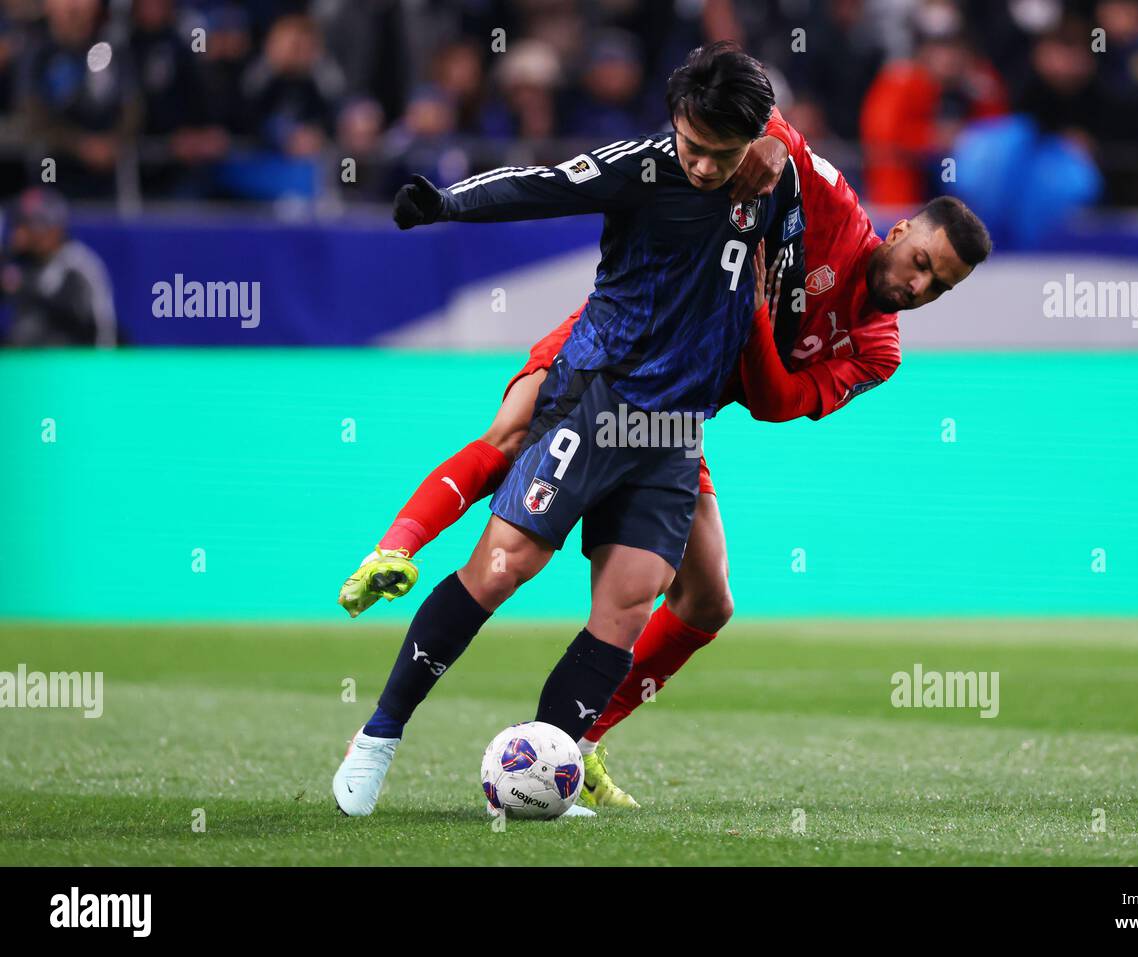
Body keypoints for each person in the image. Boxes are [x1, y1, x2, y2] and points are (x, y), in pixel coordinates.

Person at [338, 105, 991, 810]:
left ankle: (567, 746)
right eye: (922, 262)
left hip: (683, 411)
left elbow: (776, 402)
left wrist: (757, 314)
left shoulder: (879, 350)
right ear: (900, 233)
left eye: (940, 286)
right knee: (507, 464)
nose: (919, 286)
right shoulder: (831, 204)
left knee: (705, 597)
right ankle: (389, 582)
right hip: (611, 356)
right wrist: (770, 145)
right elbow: (749, 104)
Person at [331, 42, 805, 819]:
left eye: (724, 153)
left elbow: (787, 263)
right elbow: (540, 185)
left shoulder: (771, 179)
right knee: (503, 566)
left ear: (754, 135)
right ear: (674, 121)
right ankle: (378, 736)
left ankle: (543, 768)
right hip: (598, 396)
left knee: (628, 603)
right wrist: (446, 204)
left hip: (676, 428)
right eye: (693, 145)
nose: (706, 166)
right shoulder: (643, 168)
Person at [1, 187, 117, 347]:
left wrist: (24, 287)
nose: (21, 232)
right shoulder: (19, 262)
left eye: (28, 225)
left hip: (82, 358)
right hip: (34, 360)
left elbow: (80, 321)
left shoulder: (77, 264)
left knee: (33, 326)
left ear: (53, 229)